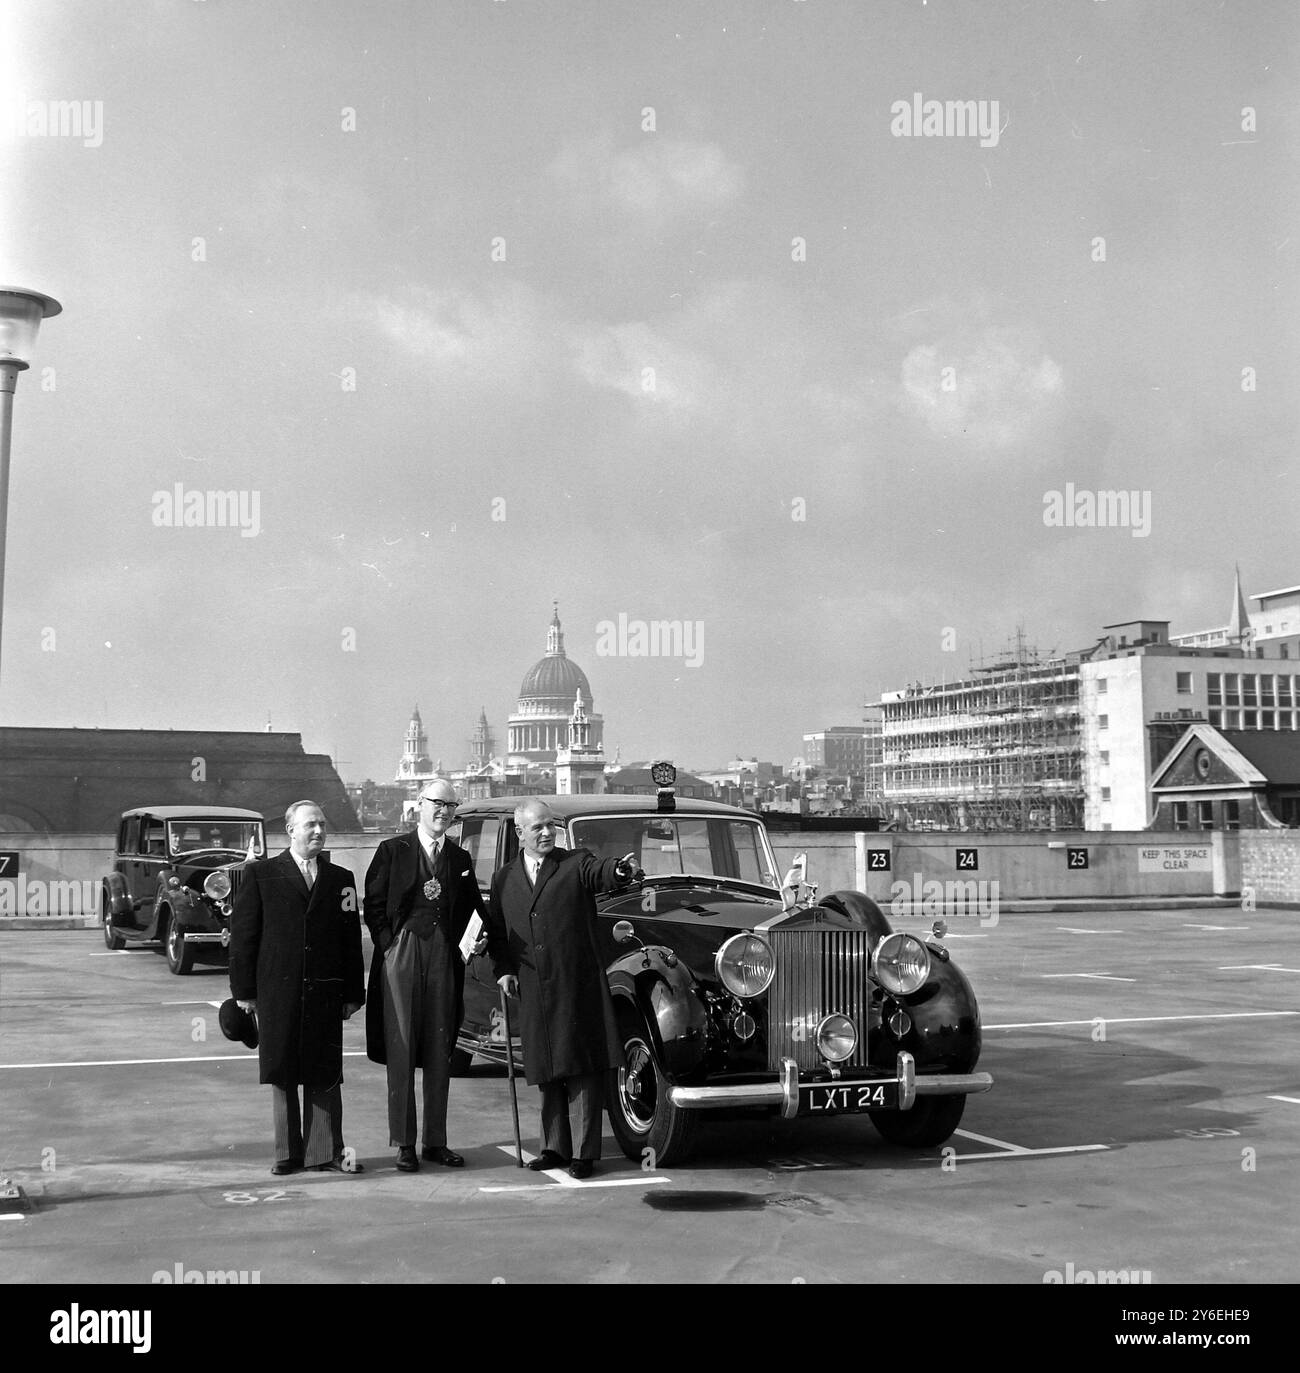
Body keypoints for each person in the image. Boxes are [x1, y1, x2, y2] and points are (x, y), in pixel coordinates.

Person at [486, 799, 637, 1179]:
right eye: (537, 827)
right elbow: (499, 933)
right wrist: (503, 971)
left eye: (550, 825)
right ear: (519, 833)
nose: (546, 833)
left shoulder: (575, 862)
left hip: (576, 984)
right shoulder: (505, 878)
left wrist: (619, 870)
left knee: (582, 1067)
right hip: (534, 986)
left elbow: (601, 873)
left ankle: (585, 1153)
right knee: (546, 1066)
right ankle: (554, 1147)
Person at [229, 800, 365, 1176]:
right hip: (278, 994)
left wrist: (354, 992)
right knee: (284, 1071)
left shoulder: (341, 879)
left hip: (325, 994)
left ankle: (324, 1152)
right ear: (290, 831)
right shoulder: (262, 875)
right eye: (310, 825)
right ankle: (287, 1154)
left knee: (324, 1072)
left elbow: (350, 938)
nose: (318, 831)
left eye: (322, 824)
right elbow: (243, 937)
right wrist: (244, 991)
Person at [364, 780, 485, 1172]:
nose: (444, 811)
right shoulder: (392, 851)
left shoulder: (460, 858)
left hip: (443, 955)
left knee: (439, 1049)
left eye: (451, 805)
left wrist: (469, 946)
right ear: (420, 804)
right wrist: (388, 945)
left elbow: (472, 911)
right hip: (403, 952)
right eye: (437, 803)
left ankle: (436, 1141)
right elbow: (374, 903)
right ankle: (404, 1143)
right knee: (401, 1046)